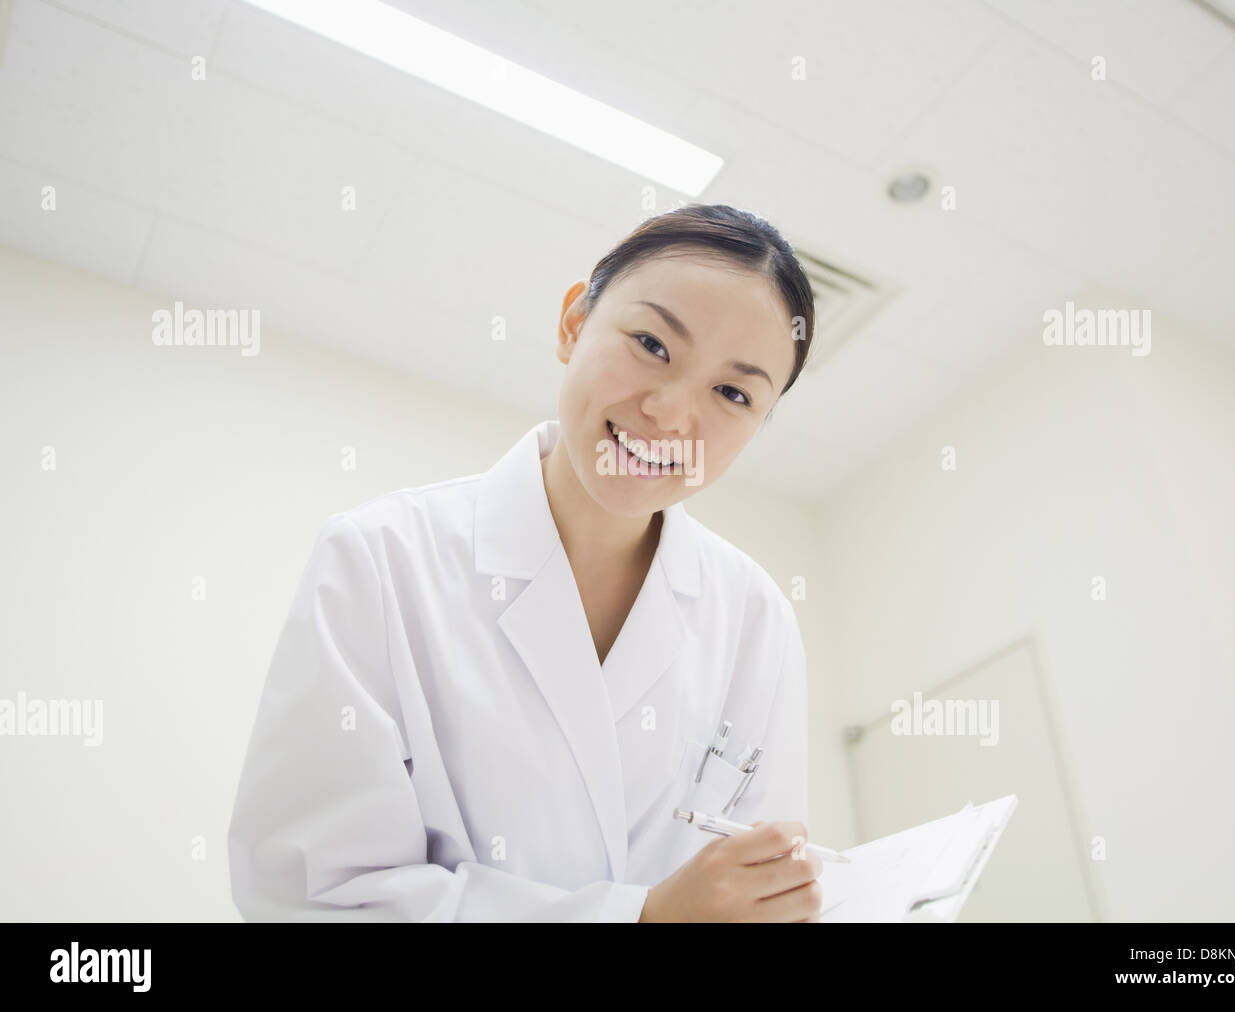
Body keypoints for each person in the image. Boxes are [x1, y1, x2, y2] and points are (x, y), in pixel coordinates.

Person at [228, 203, 821, 922]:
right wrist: (637, 919)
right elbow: (313, 894)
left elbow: (763, 901)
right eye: (652, 344)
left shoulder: (756, 620)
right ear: (575, 323)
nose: (670, 414)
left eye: (733, 393)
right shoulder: (381, 560)